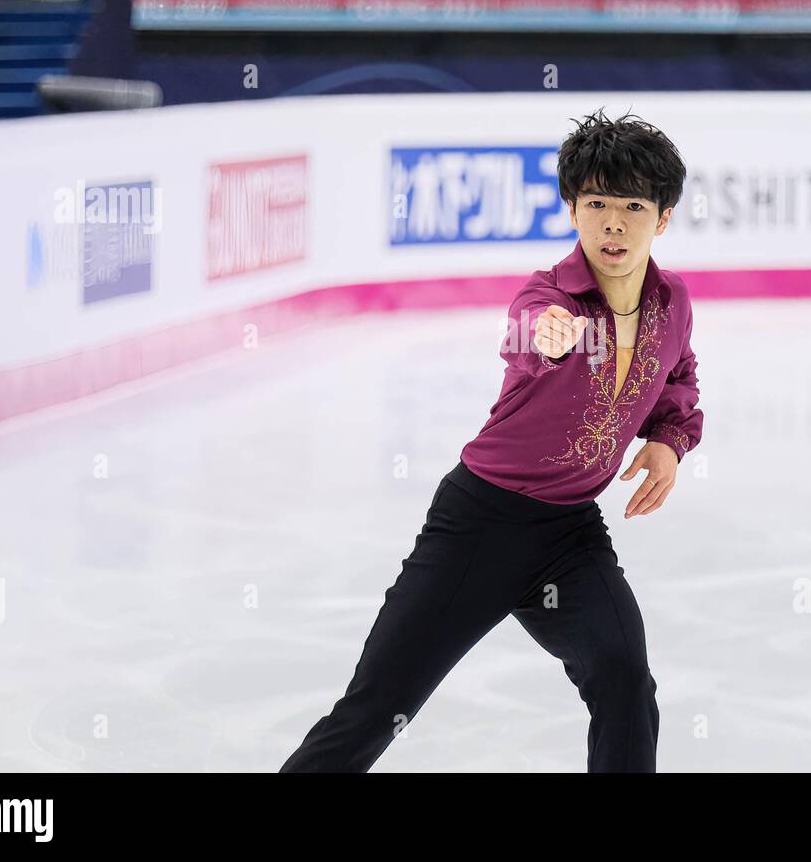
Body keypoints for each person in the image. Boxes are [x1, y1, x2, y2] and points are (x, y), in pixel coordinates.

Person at [280, 110, 704, 773]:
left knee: (624, 680)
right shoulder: (547, 298)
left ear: (664, 216)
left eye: (633, 205)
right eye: (596, 203)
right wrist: (547, 337)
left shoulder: (672, 301)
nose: (614, 222)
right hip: (480, 526)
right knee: (377, 707)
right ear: (571, 208)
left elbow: (679, 375)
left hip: (570, 537)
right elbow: (526, 334)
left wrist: (668, 441)